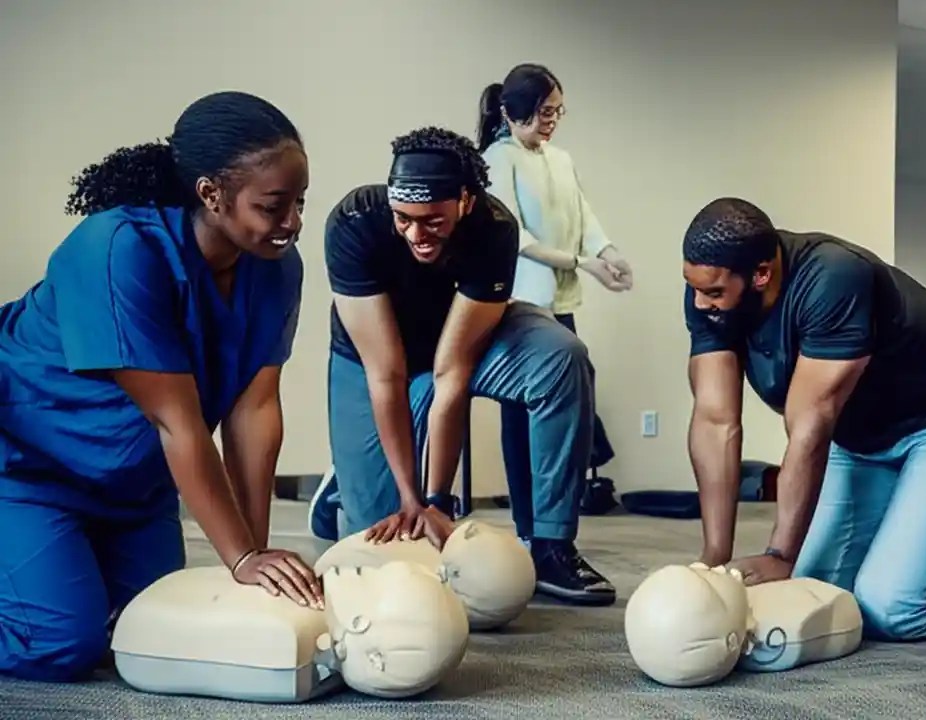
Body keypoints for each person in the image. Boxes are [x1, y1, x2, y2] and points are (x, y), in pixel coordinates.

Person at [0, 91, 321, 683]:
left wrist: (252, 559)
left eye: (300, 202)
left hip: (133, 489)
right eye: (274, 206)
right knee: (60, 645)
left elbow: (254, 411)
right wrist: (242, 556)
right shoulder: (118, 248)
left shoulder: (276, 266)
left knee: (150, 634)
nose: (293, 223)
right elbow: (176, 420)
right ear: (211, 194)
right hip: (27, 470)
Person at [308, 126, 616, 606]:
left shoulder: (493, 228)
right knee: (378, 538)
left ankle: (550, 546)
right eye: (403, 219)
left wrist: (436, 501)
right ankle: (343, 489)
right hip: (376, 357)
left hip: (461, 340)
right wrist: (411, 499)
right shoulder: (355, 222)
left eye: (433, 220)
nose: (416, 235)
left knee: (560, 357)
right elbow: (386, 374)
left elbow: (451, 374)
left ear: (466, 201)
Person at [683, 197, 926, 641]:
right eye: (693, 287)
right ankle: (917, 554)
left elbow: (809, 426)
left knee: (893, 609)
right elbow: (715, 423)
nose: (699, 302)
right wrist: (713, 561)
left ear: (761, 274)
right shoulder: (711, 294)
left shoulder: (832, 277)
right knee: (813, 591)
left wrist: (780, 554)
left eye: (713, 292)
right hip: (862, 437)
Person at [477, 63, 632, 544]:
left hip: (560, 303)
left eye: (558, 111)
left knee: (566, 412)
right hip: (520, 305)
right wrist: (583, 262)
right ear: (512, 112)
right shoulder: (498, 160)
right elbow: (516, 236)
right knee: (521, 420)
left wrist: (608, 253)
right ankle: (528, 527)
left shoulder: (560, 159)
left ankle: (554, 529)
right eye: (544, 112)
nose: (552, 121)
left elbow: (584, 216)